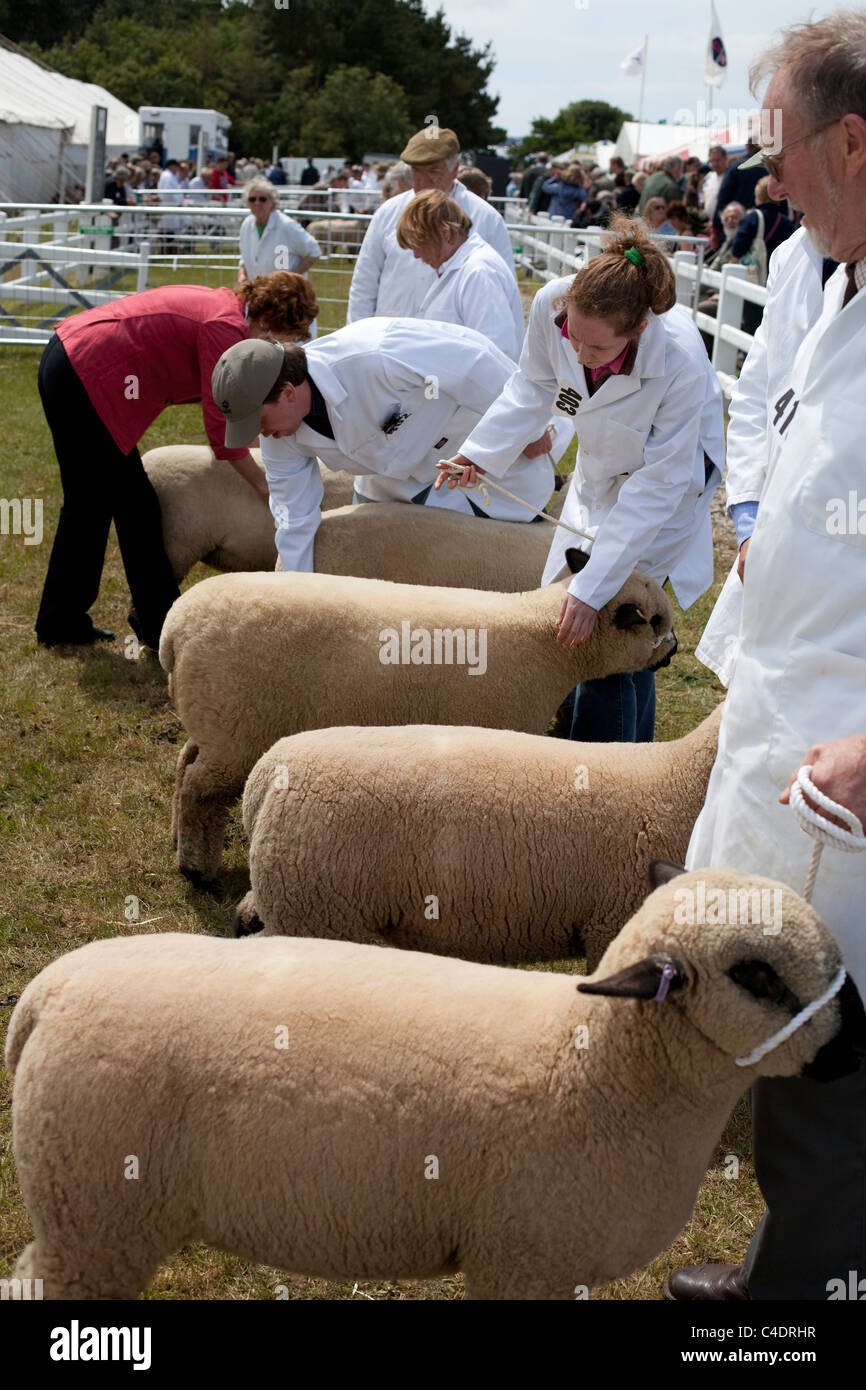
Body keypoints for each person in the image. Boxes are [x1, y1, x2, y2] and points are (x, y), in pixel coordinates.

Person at [665, 7, 866, 1304]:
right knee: (787, 1029)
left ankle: (801, 1299)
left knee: (824, 1053)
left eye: (777, 144)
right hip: (791, 731)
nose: (760, 174)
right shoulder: (835, 284)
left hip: (845, 770)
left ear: (850, 142)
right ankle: (788, 1269)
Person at [437, 214, 725, 743]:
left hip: (663, 492)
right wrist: (478, 453)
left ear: (638, 330)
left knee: (613, 621)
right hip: (598, 476)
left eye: (595, 350)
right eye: (573, 337)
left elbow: (658, 484)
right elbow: (531, 385)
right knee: (571, 612)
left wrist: (595, 590)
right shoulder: (553, 306)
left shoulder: (680, 361)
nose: (578, 354)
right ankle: (577, 741)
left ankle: (604, 767)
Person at [34, 274, 317, 651]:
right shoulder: (225, 328)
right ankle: (157, 624)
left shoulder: (226, 313)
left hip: (73, 361)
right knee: (133, 505)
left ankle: (63, 621)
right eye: (285, 339)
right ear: (270, 322)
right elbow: (222, 430)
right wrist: (263, 483)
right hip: (85, 372)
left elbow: (234, 416)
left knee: (93, 504)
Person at [211, 322, 554, 573]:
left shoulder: (378, 354)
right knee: (391, 568)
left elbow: (476, 360)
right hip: (389, 482)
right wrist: (296, 586)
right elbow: (292, 512)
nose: (261, 435)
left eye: (259, 422)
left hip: (469, 456)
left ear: (287, 393)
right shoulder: (281, 434)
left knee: (505, 560)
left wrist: (524, 425)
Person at [347, 126, 514, 323]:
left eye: (433, 171)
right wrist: (358, 338)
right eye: (416, 171)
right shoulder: (388, 213)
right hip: (392, 341)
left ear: (454, 170)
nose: (423, 181)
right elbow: (364, 282)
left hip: (453, 346)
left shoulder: (485, 218)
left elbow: (504, 290)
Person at [396, 190, 525, 361]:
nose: (416, 255)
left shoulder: (479, 272)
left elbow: (497, 352)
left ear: (446, 233)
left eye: (420, 244)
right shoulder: (462, 267)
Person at [237, 177, 321, 326]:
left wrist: (291, 278)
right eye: (252, 199)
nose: (257, 203)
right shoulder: (246, 225)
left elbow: (314, 251)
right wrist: (242, 278)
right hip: (258, 298)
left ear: (272, 202)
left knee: (287, 343)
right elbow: (244, 260)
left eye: (262, 199)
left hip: (286, 299)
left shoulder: (287, 225)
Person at [729, 175, 794, 332]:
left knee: (751, 322)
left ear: (758, 196)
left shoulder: (751, 218)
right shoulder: (786, 221)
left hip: (754, 276)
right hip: (778, 277)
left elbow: (738, 249)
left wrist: (730, 266)